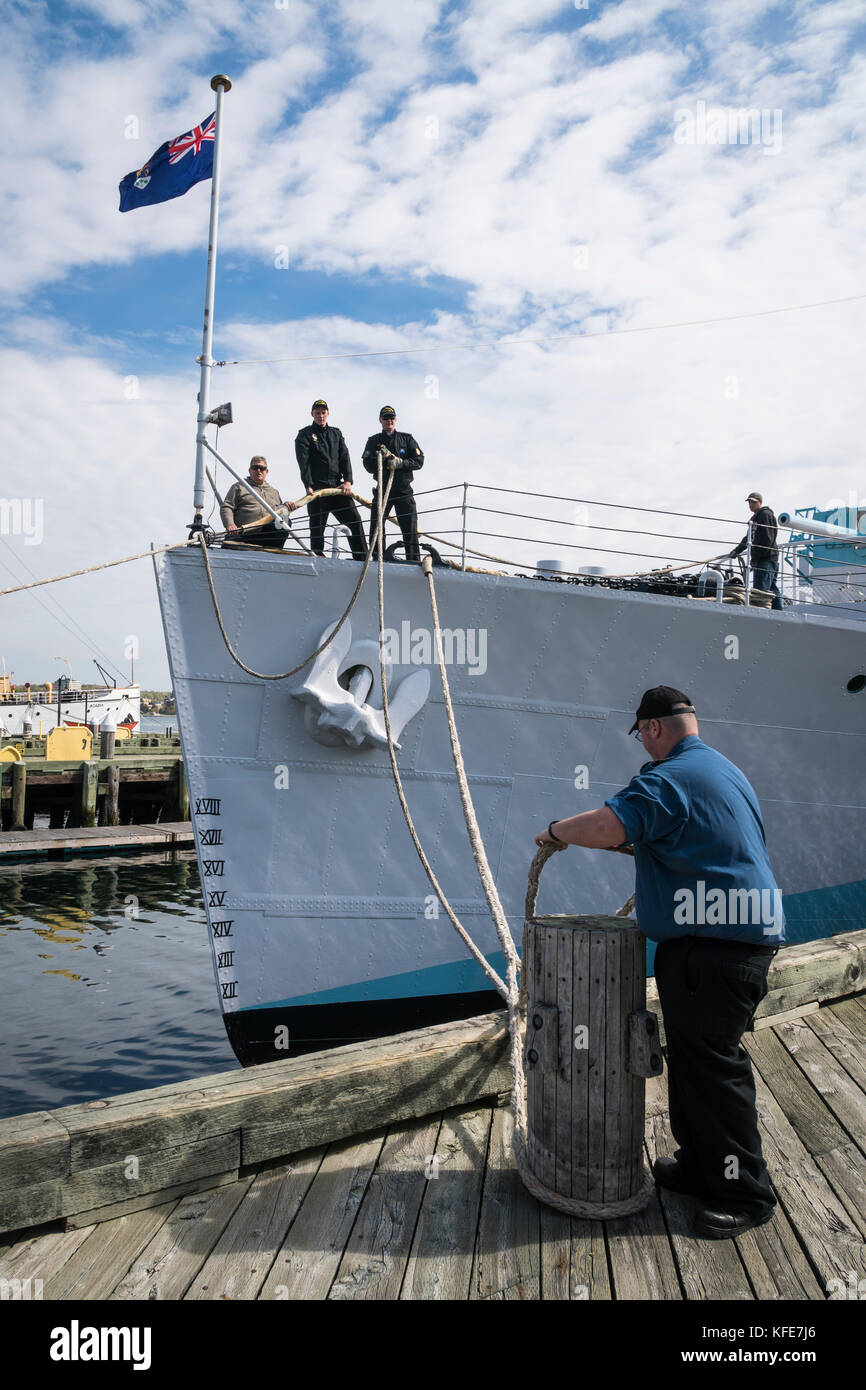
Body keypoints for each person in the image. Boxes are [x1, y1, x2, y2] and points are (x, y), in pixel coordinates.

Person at [534, 685, 785, 1240]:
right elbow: (693, 836)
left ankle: (746, 1192)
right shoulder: (718, 770)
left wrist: (555, 832)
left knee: (715, 1068)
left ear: (651, 729)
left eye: (641, 736)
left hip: (715, 947)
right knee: (696, 1060)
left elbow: (609, 823)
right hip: (726, 940)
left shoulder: (667, 777)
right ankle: (702, 1164)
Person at [294, 400, 366, 561]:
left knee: (354, 520)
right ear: (312, 414)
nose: (320, 415)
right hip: (318, 489)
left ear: (328, 413)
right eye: (317, 412)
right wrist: (308, 485)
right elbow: (303, 461)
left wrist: (348, 481)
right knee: (317, 527)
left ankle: (362, 557)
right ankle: (317, 557)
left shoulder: (336, 433)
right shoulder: (304, 434)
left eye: (323, 412)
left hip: (337, 486)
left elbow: (345, 457)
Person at [362, 406, 424, 562]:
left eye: (391, 418)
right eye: (385, 418)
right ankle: (377, 558)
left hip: (403, 490)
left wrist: (401, 463)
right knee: (377, 526)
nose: (389, 421)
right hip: (383, 490)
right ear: (380, 420)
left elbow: (419, 460)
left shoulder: (407, 439)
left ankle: (414, 560)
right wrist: (381, 460)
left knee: (410, 528)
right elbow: (368, 465)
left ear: (395, 420)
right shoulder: (373, 441)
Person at [219, 457, 291, 548]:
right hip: (243, 535)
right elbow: (227, 507)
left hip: (266, 537)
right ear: (250, 470)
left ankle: (274, 551)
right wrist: (230, 524)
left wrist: (286, 507)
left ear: (266, 471)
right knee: (231, 542)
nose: (258, 470)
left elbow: (279, 515)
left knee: (284, 519)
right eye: (255, 468)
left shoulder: (274, 492)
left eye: (262, 468)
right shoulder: (239, 487)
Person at [730, 492, 782, 610]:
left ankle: (775, 614)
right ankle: (780, 613)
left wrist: (756, 558)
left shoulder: (765, 515)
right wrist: (737, 550)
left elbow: (767, 540)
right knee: (771, 589)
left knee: (761, 593)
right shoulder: (756, 518)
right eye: (749, 502)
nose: (750, 504)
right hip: (766, 559)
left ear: (760, 502)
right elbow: (749, 538)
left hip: (766, 560)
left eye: (753, 502)